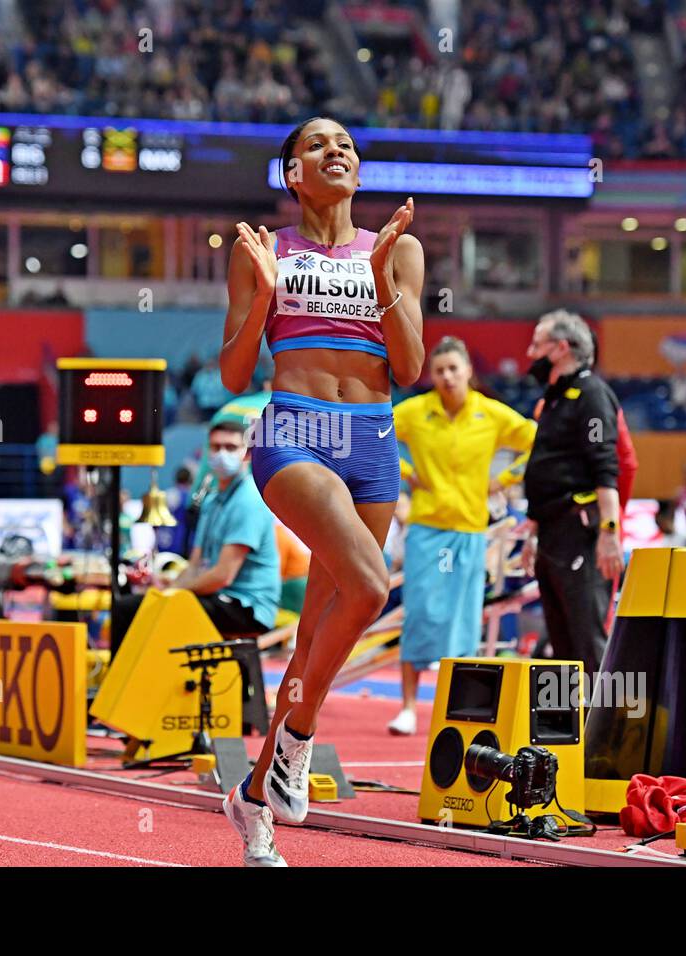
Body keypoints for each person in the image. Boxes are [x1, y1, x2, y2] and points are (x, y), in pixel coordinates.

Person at [218, 115, 424, 865]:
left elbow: (410, 368)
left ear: (358, 172)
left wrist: (383, 281)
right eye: (315, 145)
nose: (334, 150)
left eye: (345, 144)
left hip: (372, 438)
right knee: (369, 590)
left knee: (311, 642)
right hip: (297, 429)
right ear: (293, 174)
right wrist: (268, 293)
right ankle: (299, 741)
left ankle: (252, 804)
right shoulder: (262, 251)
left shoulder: (396, 252)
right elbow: (234, 375)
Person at [387, 336, 535, 735]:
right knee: (419, 615)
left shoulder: (492, 414)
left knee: (465, 623)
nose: (448, 376)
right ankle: (407, 708)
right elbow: (373, 434)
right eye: (439, 371)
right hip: (426, 529)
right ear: (430, 376)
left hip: (470, 530)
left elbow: (538, 442)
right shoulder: (416, 412)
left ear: (469, 370)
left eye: (454, 368)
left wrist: (503, 480)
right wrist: (404, 473)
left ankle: (458, 712)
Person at [107, 420, 281, 659]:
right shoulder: (211, 501)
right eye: (216, 447)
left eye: (230, 448)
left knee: (130, 610)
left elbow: (223, 575)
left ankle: (129, 685)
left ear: (246, 454)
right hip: (219, 597)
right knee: (141, 604)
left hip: (245, 606)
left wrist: (174, 593)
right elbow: (195, 565)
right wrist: (167, 587)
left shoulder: (248, 500)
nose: (222, 454)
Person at [519, 310, 622, 679]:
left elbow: (605, 468)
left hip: (580, 534)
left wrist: (609, 534)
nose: (530, 353)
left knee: (587, 641)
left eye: (537, 344)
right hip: (550, 533)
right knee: (561, 647)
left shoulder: (592, 394)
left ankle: (602, 735)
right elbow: (546, 474)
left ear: (561, 348)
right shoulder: (554, 399)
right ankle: (569, 732)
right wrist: (533, 532)